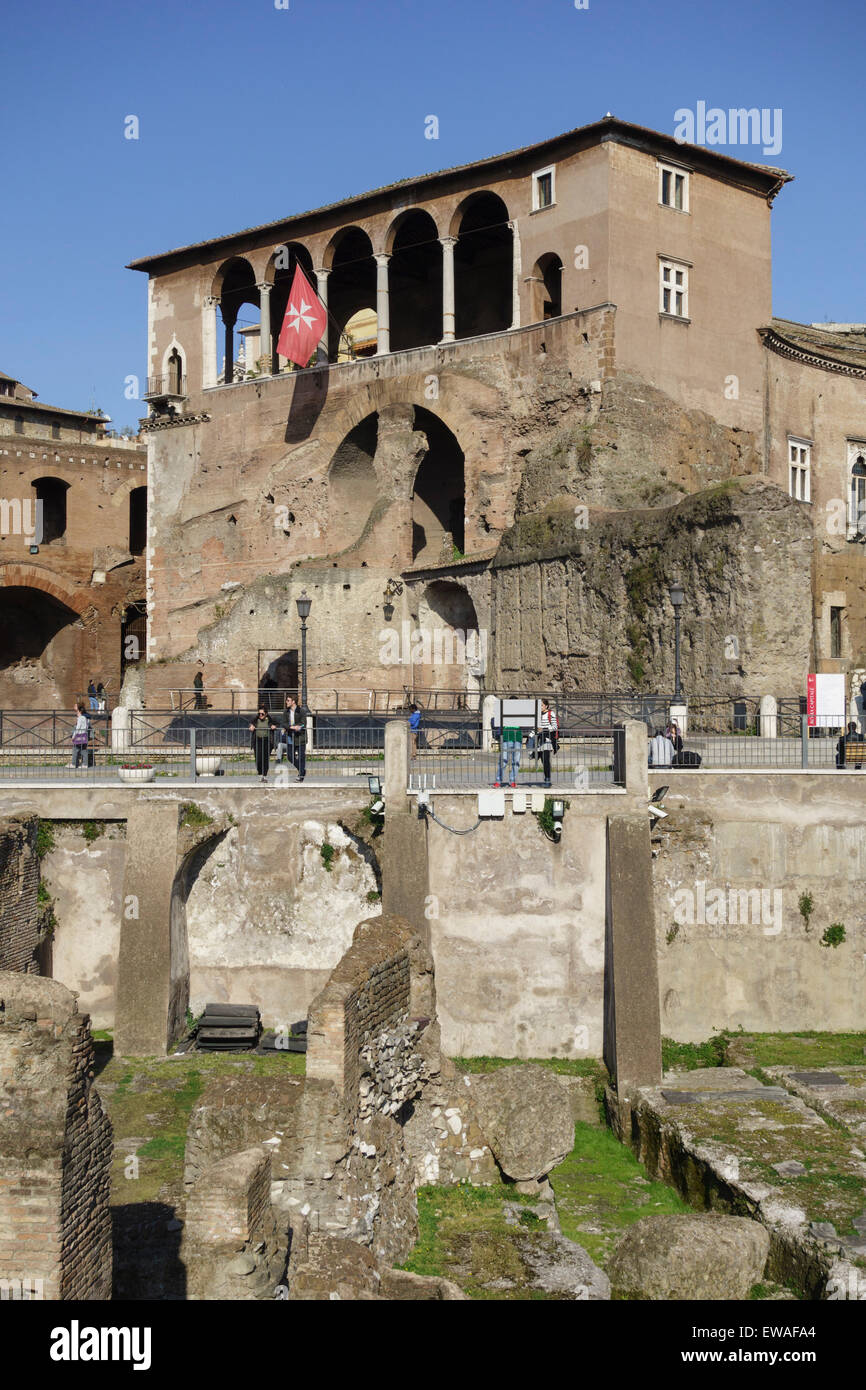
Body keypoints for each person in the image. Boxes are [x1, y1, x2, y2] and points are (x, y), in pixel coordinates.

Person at [248, 706, 277, 781]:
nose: (260, 715)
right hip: (258, 740)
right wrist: (251, 726)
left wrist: (274, 726)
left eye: (262, 714)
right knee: (258, 758)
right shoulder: (256, 719)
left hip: (267, 741)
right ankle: (260, 774)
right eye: (259, 713)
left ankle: (265, 775)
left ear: (266, 714)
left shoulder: (269, 720)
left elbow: (277, 724)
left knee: (265, 758)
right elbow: (251, 724)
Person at [285, 695, 308, 781]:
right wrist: (292, 727)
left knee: (301, 757)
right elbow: (284, 723)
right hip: (291, 736)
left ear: (293, 701)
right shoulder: (286, 711)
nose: (286, 702)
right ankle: (302, 771)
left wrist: (299, 727)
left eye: (288, 700)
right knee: (290, 757)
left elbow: (303, 723)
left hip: (300, 737)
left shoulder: (301, 711)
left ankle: (301, 776)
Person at [538, 699, 559, 788]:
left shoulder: (551, 714)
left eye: (542, 705)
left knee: (546, 759)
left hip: (547, 739)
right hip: (539, 739)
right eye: (539, 705)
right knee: (542, 759)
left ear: (546, 706)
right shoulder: (538, 715)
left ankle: (547, 780)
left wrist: (544, 729)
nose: (540, 707)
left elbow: (555, 727)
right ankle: (547, 778)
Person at [495, 722, 523, 788]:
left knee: (516, 762)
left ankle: (512, 780)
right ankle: (498, 780)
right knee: (503, 761)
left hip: (517, 737)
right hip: (506, 737)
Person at [70, 702, 90, 770]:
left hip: (79, 735)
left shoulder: (81, 717)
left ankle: (74, 764)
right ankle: (85, 764)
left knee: (75, 749)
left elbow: (78, 728)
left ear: (79, 709)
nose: (74, 706)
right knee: (83, 750)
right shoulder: (85, 717)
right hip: (84, 735)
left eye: (75, 705)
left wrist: (73, 736)